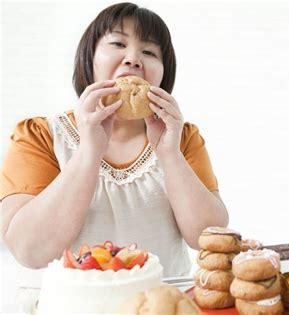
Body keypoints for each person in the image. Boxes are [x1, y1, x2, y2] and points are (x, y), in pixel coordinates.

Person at [1, 2, 228, 278]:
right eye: (118, 44)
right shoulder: (40, 136)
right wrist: (88, 153)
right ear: (89, 57)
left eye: (149, 51)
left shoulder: (182, 138)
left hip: (160, 303)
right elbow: (29, 251)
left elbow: (210, 239)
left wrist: (170, 155)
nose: (133, 59)